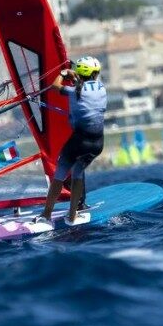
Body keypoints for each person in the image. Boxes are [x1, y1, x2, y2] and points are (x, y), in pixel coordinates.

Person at [40, 56, 107, 224]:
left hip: (79, 141)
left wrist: (63, 73)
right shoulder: (101, 87)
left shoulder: (75, 90)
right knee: (78, 172)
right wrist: (75, 75)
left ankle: (46, 215)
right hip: (98, 143)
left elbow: (55, 87)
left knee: (60, 174)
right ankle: (72, 215)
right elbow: (85, 84)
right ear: (95, 74)